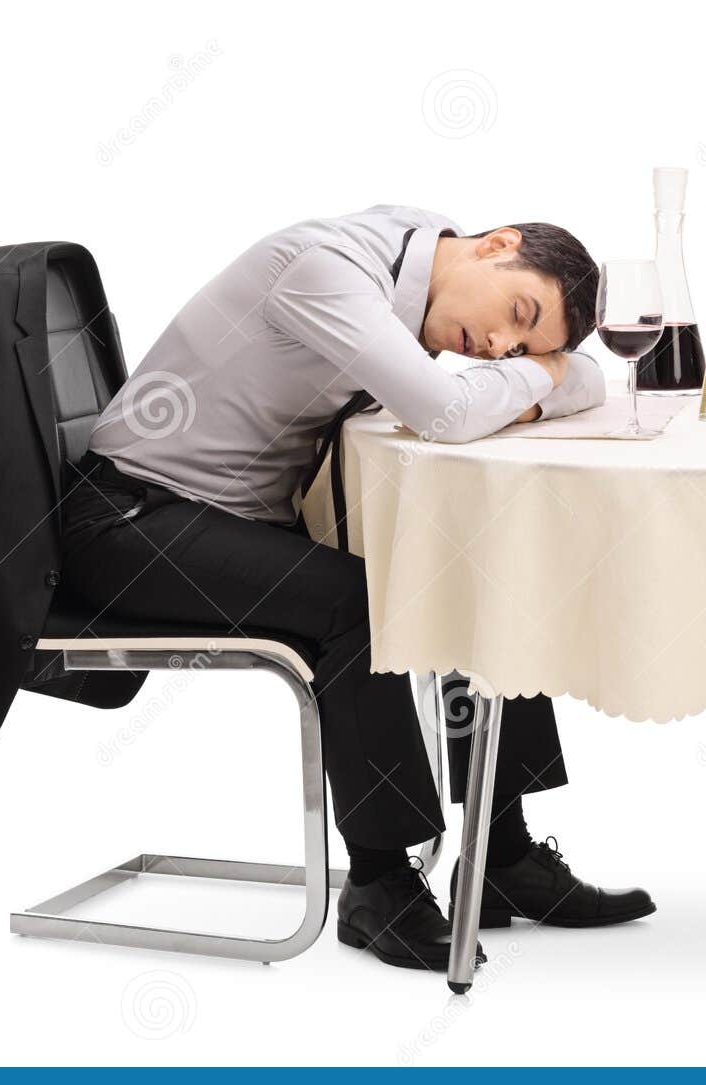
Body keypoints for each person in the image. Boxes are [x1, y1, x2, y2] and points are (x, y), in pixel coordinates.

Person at [58, 205, 654, 972]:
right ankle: (378, 883)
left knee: (463, 569)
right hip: (128, 524)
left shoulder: (420, 252)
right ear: (497, 245)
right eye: (517, 314)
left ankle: (502, 857)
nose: (496, 346)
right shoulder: (328, 271)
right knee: (360, 604)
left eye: (521, 346)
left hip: (221, 518)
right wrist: (550, 376)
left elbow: (574, 383)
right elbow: (445, 410)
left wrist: (549, 374)